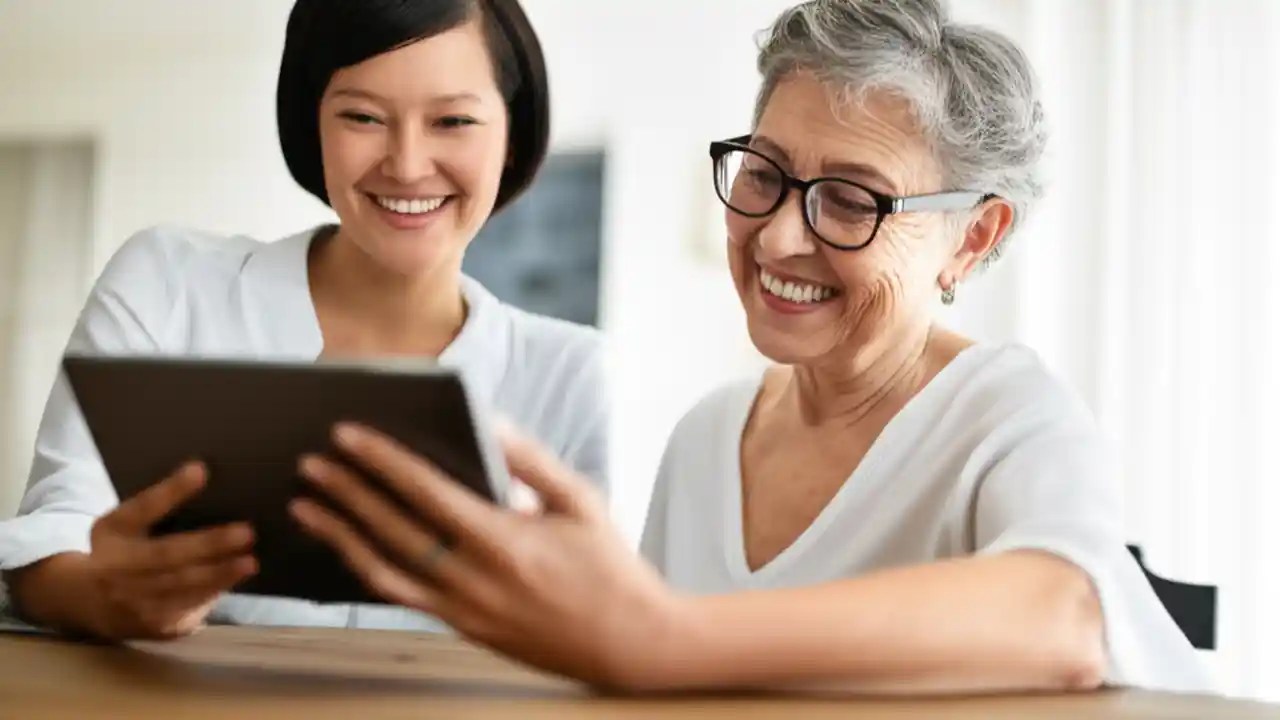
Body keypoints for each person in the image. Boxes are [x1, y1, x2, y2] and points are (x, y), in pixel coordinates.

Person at [285, 0, 1212, 695]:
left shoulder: (1006, 411)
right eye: (764, 174)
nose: (777, 237)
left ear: (971, 237)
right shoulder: (707, 437)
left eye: (851, 200)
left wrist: (657, 637)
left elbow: (1068, 617)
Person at [0, 0, 607, 641]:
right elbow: (53, 537)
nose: (406, 164)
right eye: (362, 117)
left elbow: (598, 621)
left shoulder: (569, 373)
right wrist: (106, 595)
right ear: (311, 124)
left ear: (513, 136)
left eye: (453, 120)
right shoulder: (168, 286)